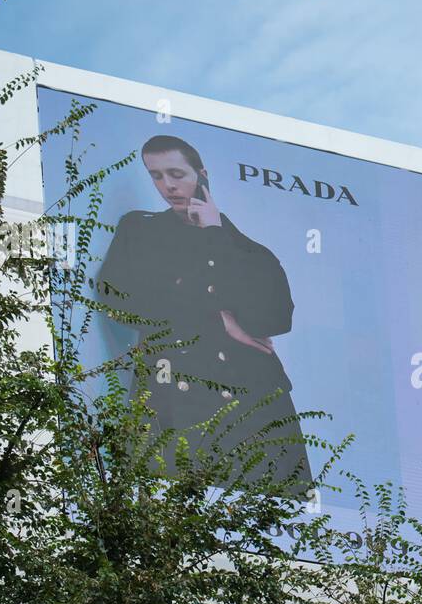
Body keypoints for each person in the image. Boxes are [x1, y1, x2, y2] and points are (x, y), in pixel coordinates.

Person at [97, 134, 312, 491]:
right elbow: (117, 298)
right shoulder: (140, 229)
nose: (167, 186)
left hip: (256, 413)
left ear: (202, 174)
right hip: (176, 403)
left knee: (277, 529)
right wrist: (220, 318)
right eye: (156, 175)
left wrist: (214, 234)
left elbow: (273, 319)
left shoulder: (249, 251)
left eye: (176, 174)